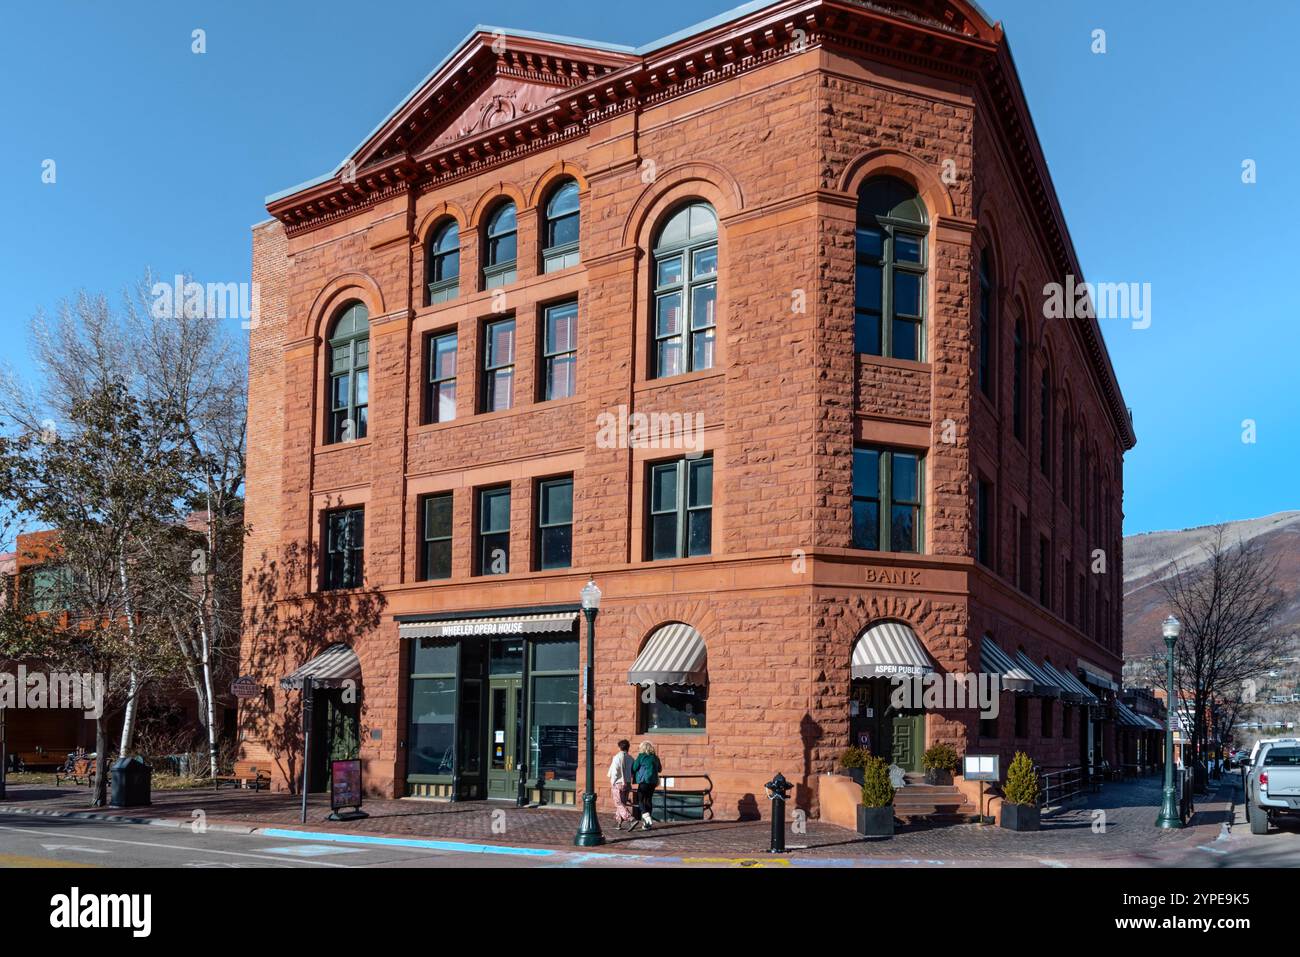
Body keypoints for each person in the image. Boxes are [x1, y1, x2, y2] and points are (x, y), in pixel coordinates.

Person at [631, 740, 662, 831]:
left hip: (644, 781)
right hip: (653, 782)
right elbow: (660, 769)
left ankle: (646, 816)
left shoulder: (641, 756)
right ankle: (646, 824)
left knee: (640, 800)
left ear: (642, 748)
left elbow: (634, 767)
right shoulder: (655, 757)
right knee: (648, 800)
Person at [607, 739, 635, 830]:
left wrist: (612, 782)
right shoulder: (631, 758)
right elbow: (632, 772)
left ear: (619, 747)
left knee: (618, 803)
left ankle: (631, 819)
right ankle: (618, 822)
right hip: (627, 783)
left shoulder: (617, 757)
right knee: (622, 803)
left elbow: (615, 772)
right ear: (628, 747)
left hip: (618, 783)